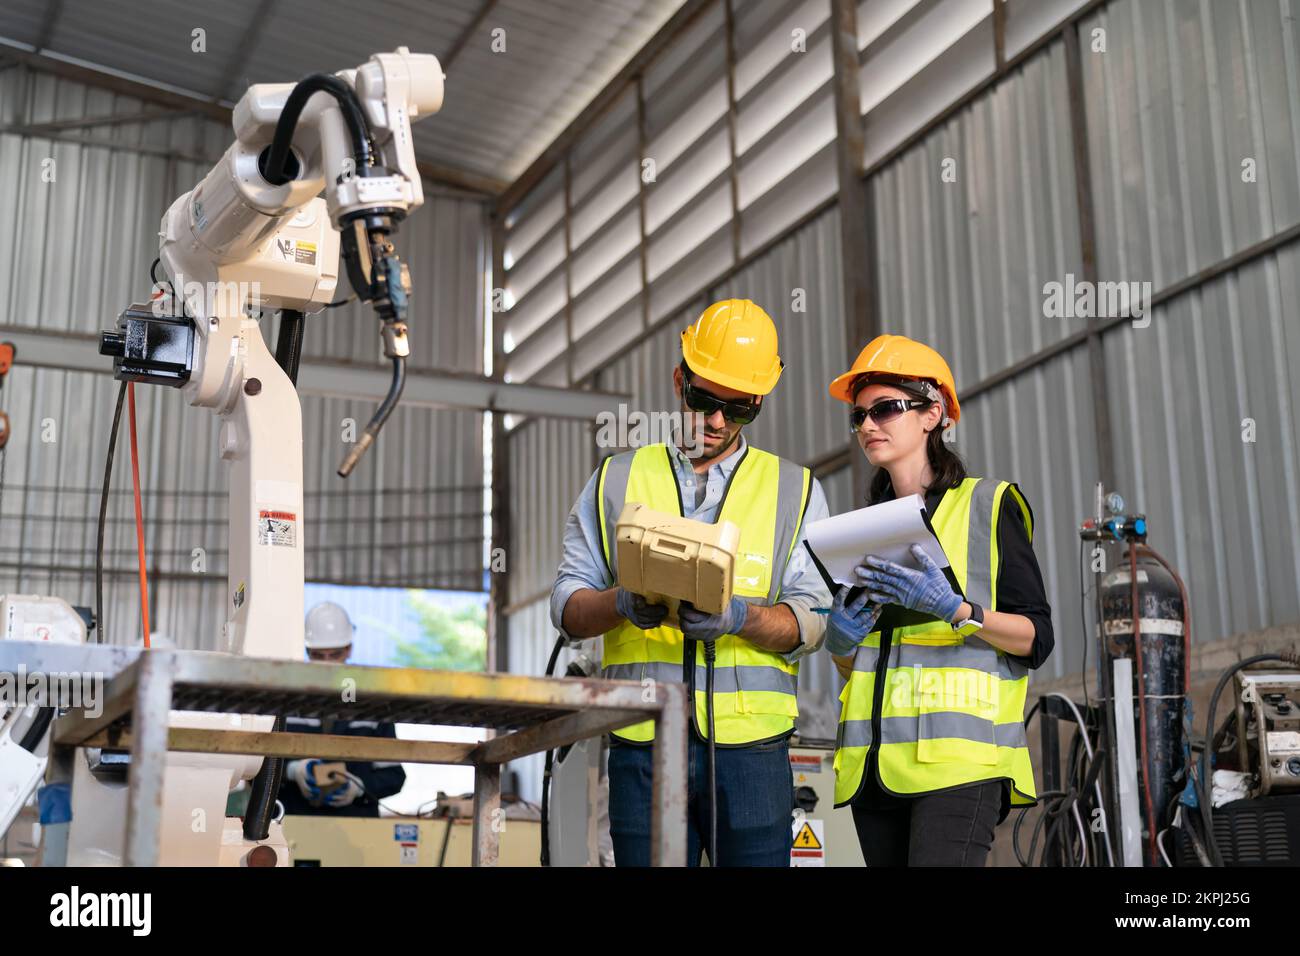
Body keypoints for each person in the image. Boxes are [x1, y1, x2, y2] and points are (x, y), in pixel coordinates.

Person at [551, 299, 831, 866]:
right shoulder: (615, 479)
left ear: (759, 401)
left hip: (753, 753)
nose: (718, 421)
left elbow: (812, 621)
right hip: (644, 744)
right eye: (704, 400)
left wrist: (740, 617)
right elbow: (567, 607)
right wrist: (621, 603)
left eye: (739, 408)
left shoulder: (794, 490)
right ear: (680, 380)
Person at [822, 334, 1053, 866]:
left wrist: (958, 610)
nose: (868, 425)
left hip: (959, 766)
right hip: (874, 770)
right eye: (859, 416)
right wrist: (840, 644)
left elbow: (1037, 638)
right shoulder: (862, 532)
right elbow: (866, 663)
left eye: (885, 409)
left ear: (933, 414)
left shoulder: (988, 506)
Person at [279, 601, 406, 817]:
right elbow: (256, 769)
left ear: (349, 649)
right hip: (294, 822)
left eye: (334, 654)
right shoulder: (287, 701)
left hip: (355, 824)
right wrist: (291, 771)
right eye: (319, 655)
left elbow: (393, 776)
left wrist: (360, 788)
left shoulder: (371, 704)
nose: (327, 664)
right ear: (308, 651)